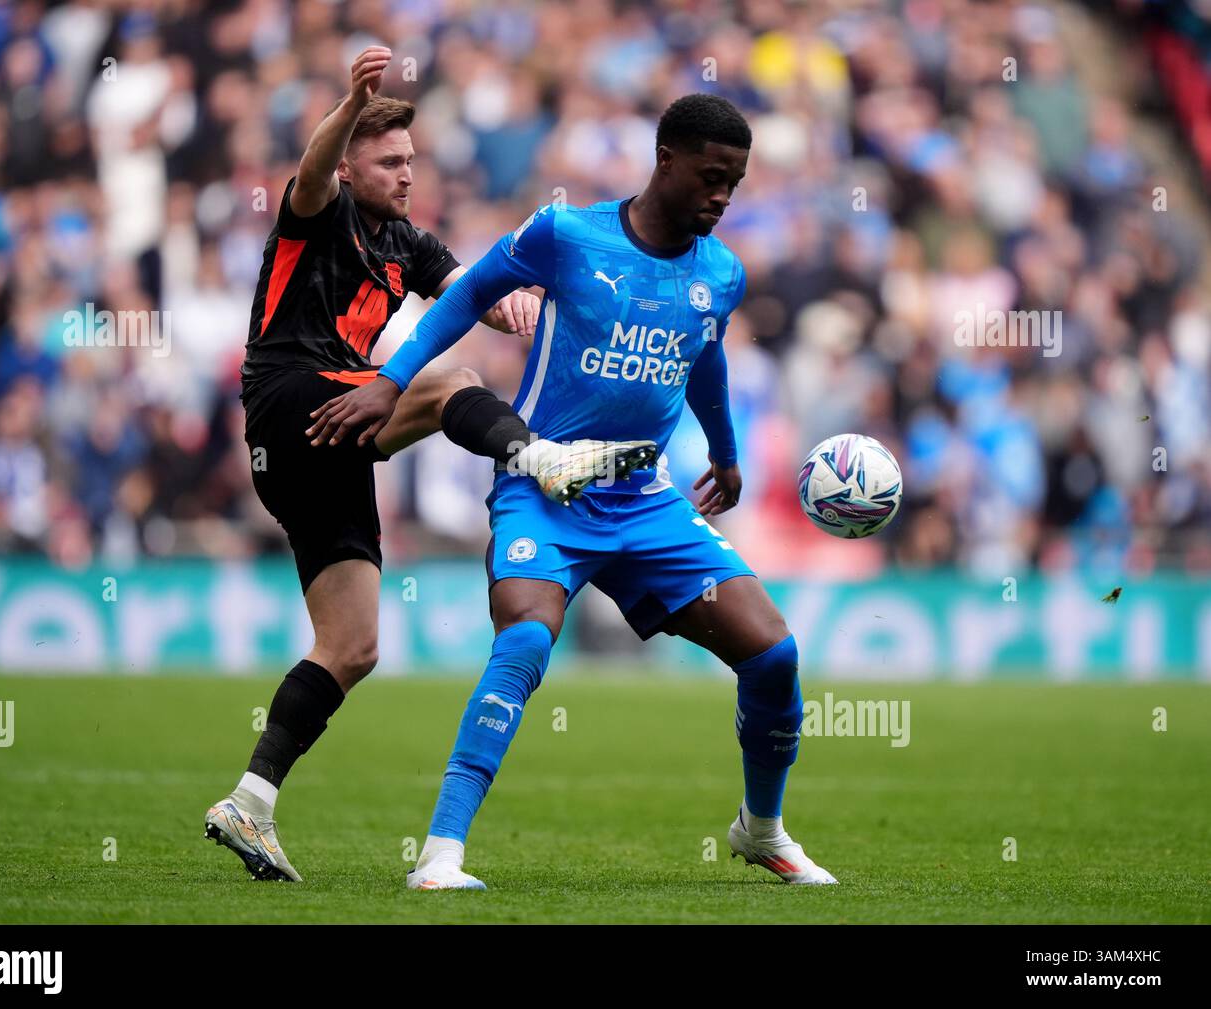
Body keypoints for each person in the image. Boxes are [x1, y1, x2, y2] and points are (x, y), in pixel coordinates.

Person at [311, 93, 836, 889]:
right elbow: (467, 292)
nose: (722, 197)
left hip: (645, 498)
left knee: (774, 654)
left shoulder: (720, 274)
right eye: (710, 177)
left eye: (734, 182)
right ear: (665, 161)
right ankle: (441, 853)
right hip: (543, 486)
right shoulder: (567, 234)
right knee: (524, 639)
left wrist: (726, 455)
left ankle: (760, 830)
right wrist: (391, 381)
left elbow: (707, 356)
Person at [204, 46, 654, 882]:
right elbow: (308, 170)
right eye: (390, 160)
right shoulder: (319, 208)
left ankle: (250, 801)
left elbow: (467, 286)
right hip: (292, 394)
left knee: (354, 644)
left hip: (330, 441)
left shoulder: (405, 240)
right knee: (449, 381)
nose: (408, 174)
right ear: (350, 164)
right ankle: (542, 462)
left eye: (412, 159)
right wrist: (348, 103)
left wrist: (517, 297)